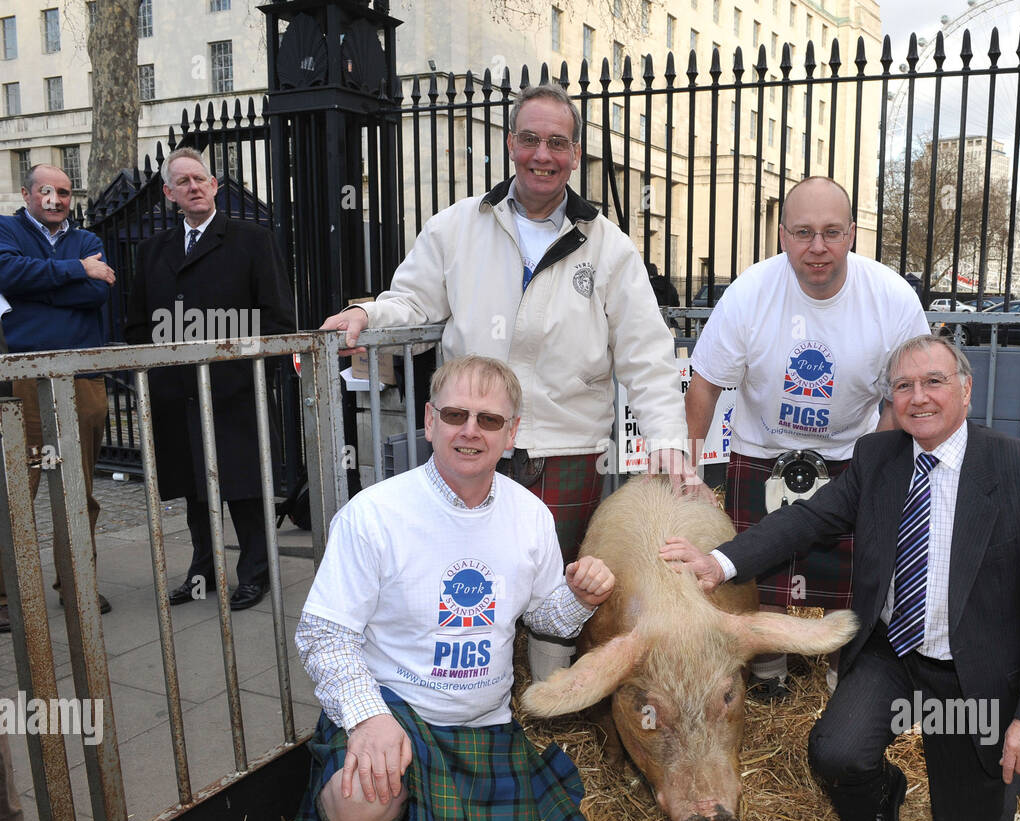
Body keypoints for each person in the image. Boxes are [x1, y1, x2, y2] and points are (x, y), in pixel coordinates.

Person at [318, 83, 696, 679]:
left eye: (556, 143)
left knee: (562, 580)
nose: (541, 155)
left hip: (567, 449)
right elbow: (411, 300)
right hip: (473, 439)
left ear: (574, 154)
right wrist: (368, 315)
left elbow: (647, 357)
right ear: (509, 144)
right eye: (529, 139)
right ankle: (464, 696)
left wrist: (670, 446)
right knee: (465, 572)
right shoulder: (457, 226)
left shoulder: (610, 246)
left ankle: (547, 702)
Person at [663, 335, 1020, 821]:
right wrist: (720, 561)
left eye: (934, 381)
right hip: (893, 654)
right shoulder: (879, 456)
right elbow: (809, 519)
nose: (919, 397)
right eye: (904, 386)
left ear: (966, 390)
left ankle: (987, 771)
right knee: (836, 755)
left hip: (970, 670)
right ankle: (885, 793)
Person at [289, 356, 614, 821]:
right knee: (359, 799)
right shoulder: (375, 515)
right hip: (398, 707)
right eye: (456, 414)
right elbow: (323, 633)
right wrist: (369, 717)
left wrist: (580, 599)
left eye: (489, 420)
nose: (471, 430)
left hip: (484, 724)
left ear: (512, 434)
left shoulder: (531, 516)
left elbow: (546, 621)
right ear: (429, 421)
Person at [683, 176, 928, 698]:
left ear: (853, 234)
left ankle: (845, 671)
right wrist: (689, 465)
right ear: (781, 235)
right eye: (803, 232)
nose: (818, 247)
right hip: (761, 450)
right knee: (758, 570)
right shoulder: (750, 291)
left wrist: (875, 465)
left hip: (849, 455)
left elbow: (905, 392)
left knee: (855, 577)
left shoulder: (891, 297)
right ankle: (769, 670)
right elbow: (704, 380)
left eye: (832, 232)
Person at [125, 147, 295, 611]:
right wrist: (157, 375)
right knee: (195, 491)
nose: (194, 187)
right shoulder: (152, 250)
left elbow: (278, 320)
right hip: (175, 394)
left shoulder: (252, 240)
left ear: (215, 185)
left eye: (200, 179)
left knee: (243, 488)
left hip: (235, 392)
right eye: (183, 182)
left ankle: (254, 574)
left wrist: (248, 375)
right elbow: (138, 324)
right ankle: (202, 574)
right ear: (168, 193)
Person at [0, 164, 116, 631]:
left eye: (65, 192)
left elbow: (96, 294)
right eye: (47, 191)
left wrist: (34, 291)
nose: (56, 199)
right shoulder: (6, 229)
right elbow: (7, 272)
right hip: (23, 377)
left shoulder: (88, 241)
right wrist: (70, 273)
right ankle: (6, 594)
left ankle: (76, 585)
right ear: (27, 193)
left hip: (81, 373)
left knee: (79, 489)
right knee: (16, 491)